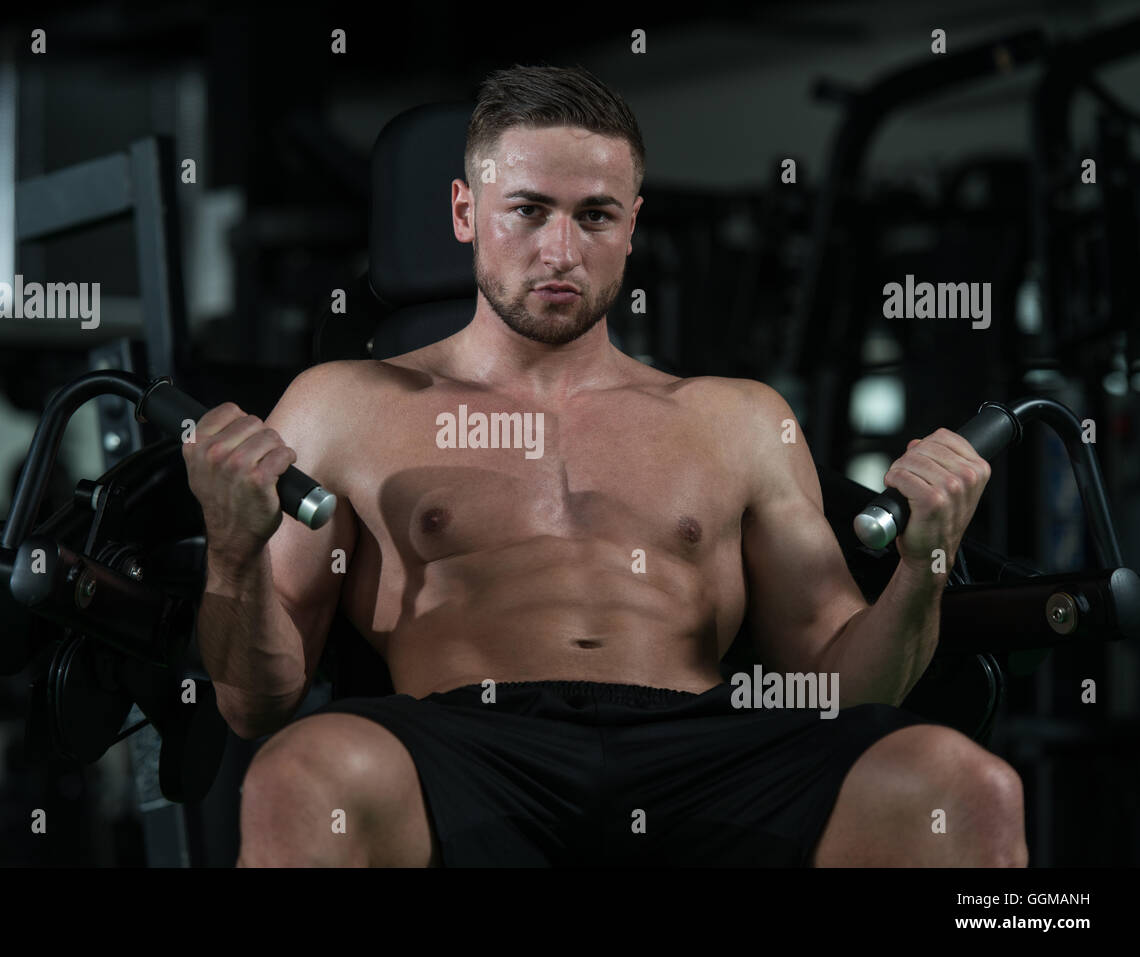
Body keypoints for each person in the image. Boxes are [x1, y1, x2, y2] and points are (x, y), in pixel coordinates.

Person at [182, 64, 1027, 867]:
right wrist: (231, 550)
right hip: (465, 747)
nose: (560, 250)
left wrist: (926, 564)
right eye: (527, 210)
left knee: (967, 787)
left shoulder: (736, 416)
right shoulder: (345, 403)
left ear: (632, 225)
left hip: (708, 753)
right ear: (464, 212)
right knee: (301, 773)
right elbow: (254, 703)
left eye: (593, 215)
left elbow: (844, 691)